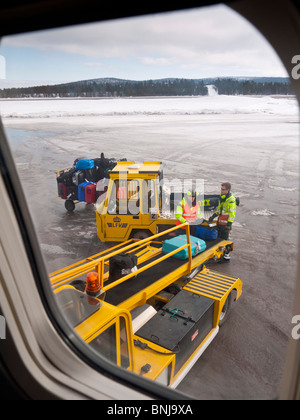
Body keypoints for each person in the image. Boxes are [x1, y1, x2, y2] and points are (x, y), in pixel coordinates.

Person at [208, 182, 236, 262]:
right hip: (220, 222)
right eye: (221, 189)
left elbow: (232, 213)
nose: (221, 191)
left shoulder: (231, 200)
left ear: (228, 190)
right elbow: (219, 209)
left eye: (223, 190)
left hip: (226, 223)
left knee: (225, 239)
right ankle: (221, 254)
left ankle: (227, 257)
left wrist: (229, 224)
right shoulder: (222, 197)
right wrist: (213, 216)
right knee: (220, 239)